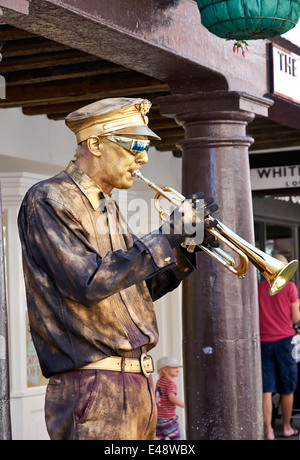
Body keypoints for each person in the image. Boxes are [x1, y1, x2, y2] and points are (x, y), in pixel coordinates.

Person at [17, 97, 219, 441]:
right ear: (94, 144)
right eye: (135, 144)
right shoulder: (49, 199)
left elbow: (133, 289)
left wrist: (185, 250)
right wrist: (166, 234)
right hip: (93, 387)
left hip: (135, 385)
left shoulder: (107, 207)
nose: (143, 157)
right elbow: (89, 283)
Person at [258, 253, 300, 440]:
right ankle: (286, 427)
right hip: (284, 341)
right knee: (287, 386)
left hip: (263, 342)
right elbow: (296, 318)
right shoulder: (290, 287)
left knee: (266, 388)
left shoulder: (259, 288)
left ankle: (269, 431)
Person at [155, 356, 185, 440]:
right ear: (164, 370)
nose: (177, 368)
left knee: (158, 437)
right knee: (176, 438)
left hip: (158, 419)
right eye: (174, 367)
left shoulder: (159, 382)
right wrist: (185, 405)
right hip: (169, 419)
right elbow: (172, 398)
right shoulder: (170, 383)